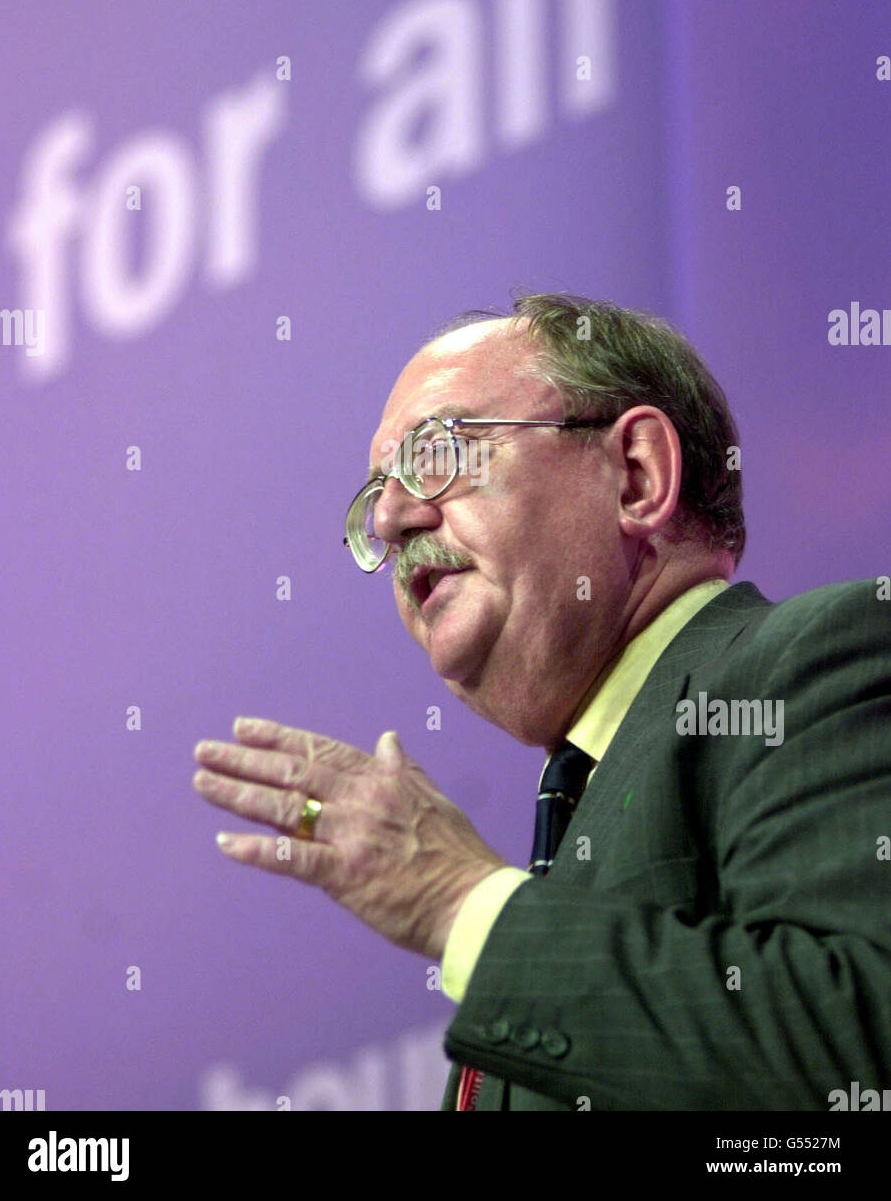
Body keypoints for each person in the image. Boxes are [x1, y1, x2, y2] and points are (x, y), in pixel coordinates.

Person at [192, 293, 891, 1111]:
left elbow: (855, 1049)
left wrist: (457, 900)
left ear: (636, 475)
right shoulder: (574, 826)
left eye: (438, 454)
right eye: (377, 493)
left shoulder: (817, 663)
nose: (388, 517)